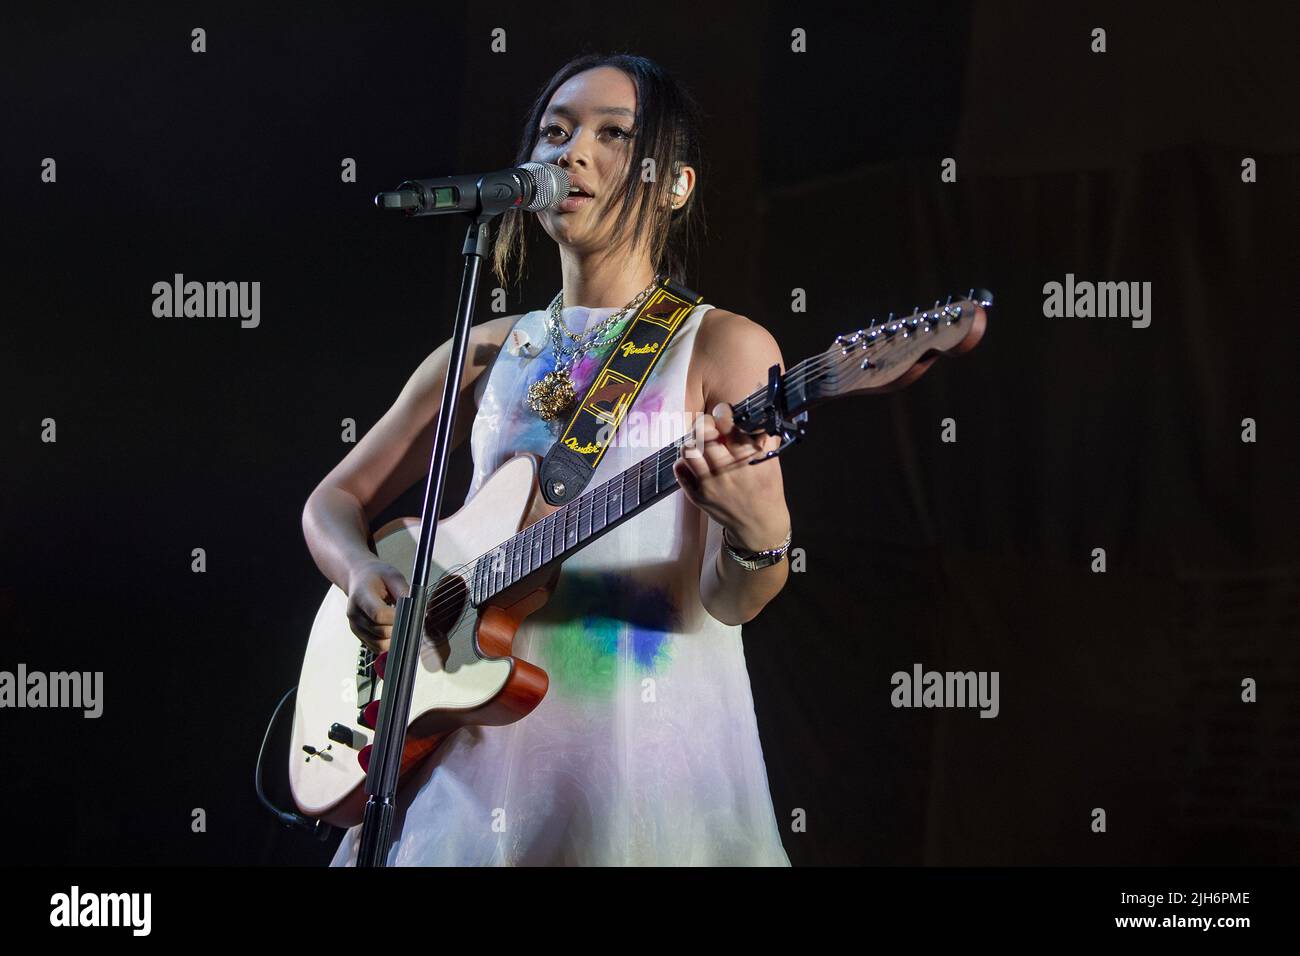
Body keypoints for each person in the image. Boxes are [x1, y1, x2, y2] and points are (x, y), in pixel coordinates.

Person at [302, 52, 793, 865]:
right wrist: (360, 573)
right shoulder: (485, 352)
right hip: (466, 750)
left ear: (675, 186)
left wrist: (759, 533)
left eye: (614, 134)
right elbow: (332, 502)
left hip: (644, 756)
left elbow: (732, 601)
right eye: (555, 131)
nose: (572, 152)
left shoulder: (724, 347)